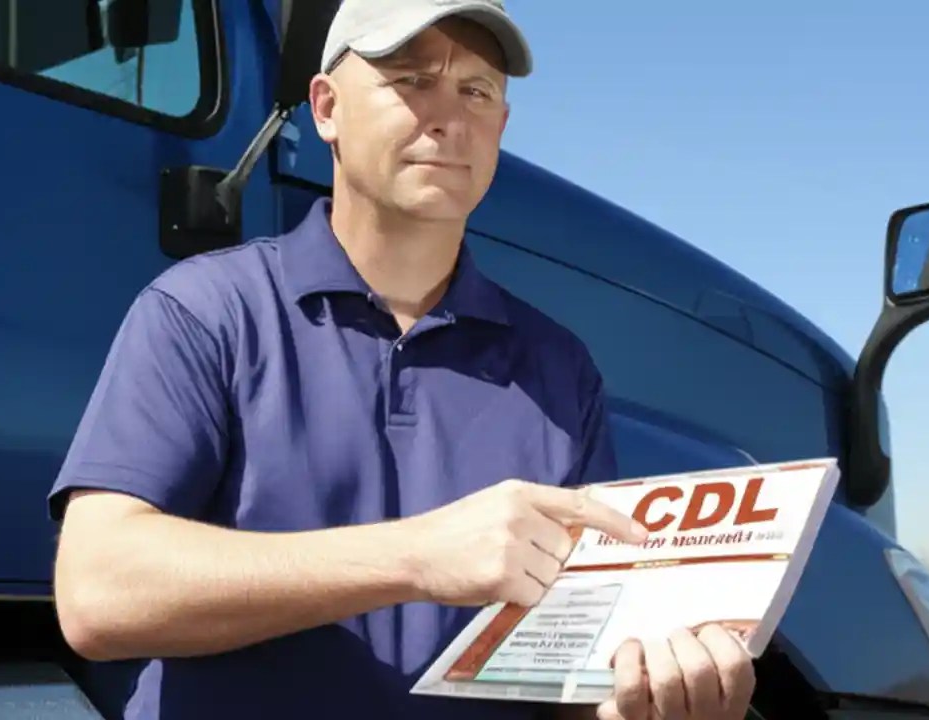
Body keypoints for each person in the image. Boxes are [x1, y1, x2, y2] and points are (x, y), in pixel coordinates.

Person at [47, 0, 756, 718]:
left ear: (501, 126)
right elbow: (99, 594)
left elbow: (566, 671)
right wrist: (416, 555)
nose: (448, 118)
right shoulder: (205, 311)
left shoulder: (559, 370)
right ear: (326, 109)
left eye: (476, 90)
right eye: (411, 80)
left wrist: (640, 700)